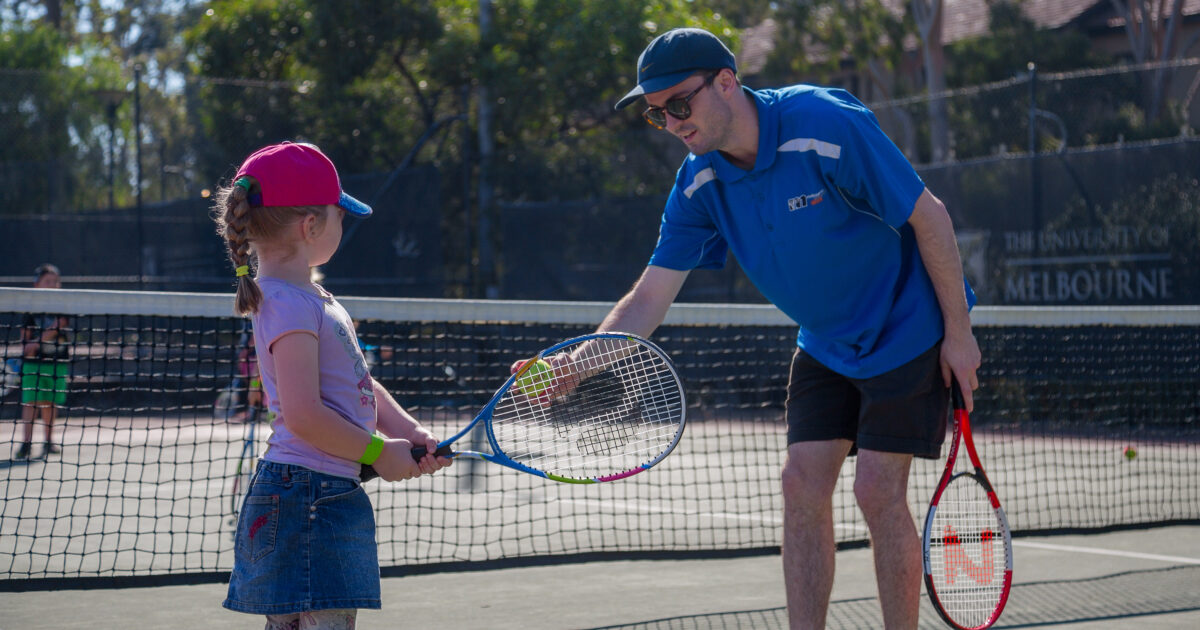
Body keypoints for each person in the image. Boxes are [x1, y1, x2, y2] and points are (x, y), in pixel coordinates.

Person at [566, 28, 980, 629]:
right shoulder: (697, 182)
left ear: (727, 83)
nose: (673, 122)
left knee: (875, 491)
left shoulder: (823, 124)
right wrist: (577, 364)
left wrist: (959, 334)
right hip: (825, 342)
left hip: (907, 327)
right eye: (657, 115)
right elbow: (649, 298)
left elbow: (931, 218)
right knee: (801, 485)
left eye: (679, 103)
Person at [213, 141, 451, 627]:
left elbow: (362, 385)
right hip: (310, 495)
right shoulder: (291, 305)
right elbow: (303, 416)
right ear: (311, 225)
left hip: (313, 492)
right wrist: (378, 451)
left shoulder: (312, 297)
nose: (345, 224)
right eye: (340, 214)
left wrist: (410, 432)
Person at [15, 264, 71, 461]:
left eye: (55, 281)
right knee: (30, 402)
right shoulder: (30, 308)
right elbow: (25, 338)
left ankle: (48, 441)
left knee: (50, 402)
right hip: (33, 365)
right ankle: (26, 443)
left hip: (56, 364)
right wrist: (27, 349)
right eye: (47, 281)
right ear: (36, 284)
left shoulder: (62, 305)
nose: (52, 285)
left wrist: (36, 343)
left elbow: (60, 324)